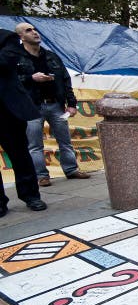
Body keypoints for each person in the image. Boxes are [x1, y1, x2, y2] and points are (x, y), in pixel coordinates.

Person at [14, 23, 89, 187]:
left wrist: (72, 104)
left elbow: (65, 79)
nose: (34, 32)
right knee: (34, 145)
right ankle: (41, 176)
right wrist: (31, 78)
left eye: (34, 29)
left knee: (65, 140)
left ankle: (71, 169)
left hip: (55, 105)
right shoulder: (16, 58)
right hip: (32, 107)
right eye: (29, 30)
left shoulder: (51, 56)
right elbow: (11, 82)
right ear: (21, 37)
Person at [0, 30, 47, 216]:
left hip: (7, 109)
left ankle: (31, 196)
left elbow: (4, 63)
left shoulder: (7, 38)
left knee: (20, 154)